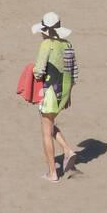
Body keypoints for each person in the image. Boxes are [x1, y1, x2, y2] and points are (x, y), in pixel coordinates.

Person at [31, 12, 78, 182]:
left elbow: (39, 70)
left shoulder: (47, 45)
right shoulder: (68, 45)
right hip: (63, 93)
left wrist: (34, 73)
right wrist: (69, 95)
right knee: (49, 123)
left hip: (50, 92)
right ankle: (67, 150)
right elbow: (73, 73)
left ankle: (52, 173)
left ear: (44, 30)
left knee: (45, 131)